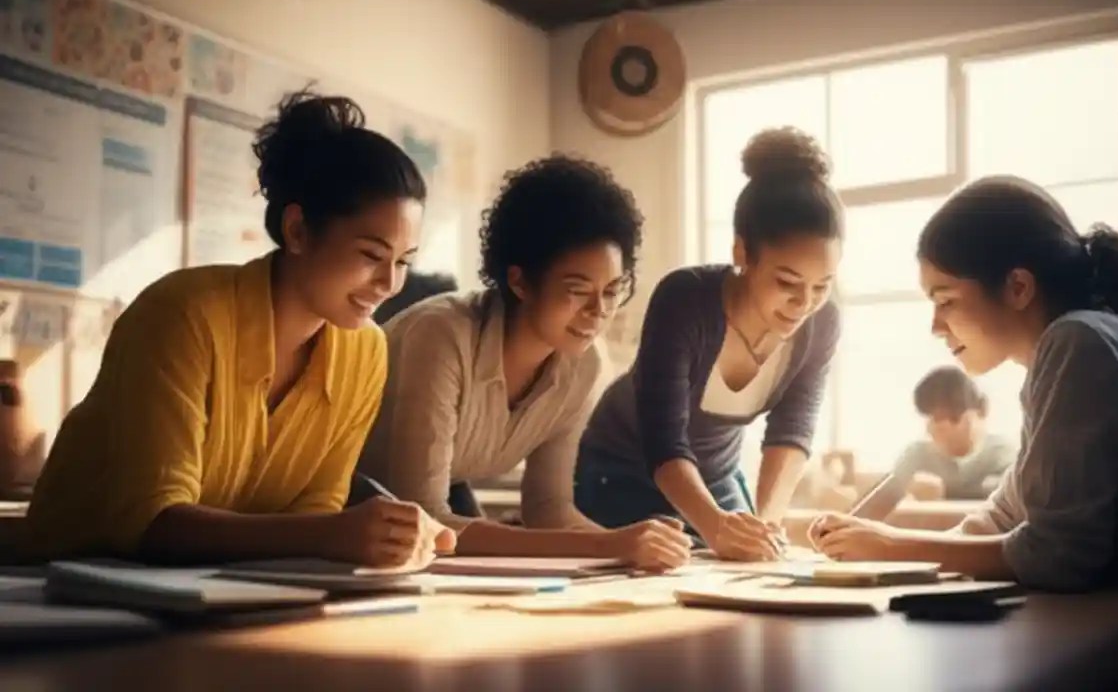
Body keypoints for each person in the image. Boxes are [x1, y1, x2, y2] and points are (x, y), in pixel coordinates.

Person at [22, 91, 455, 566]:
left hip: (217, 590)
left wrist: (354, 538)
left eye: (403, 262)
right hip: (59, 584)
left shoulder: (366, 351)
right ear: (297, 230)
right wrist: (332, 534)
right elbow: (151, 521)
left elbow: (314, 513)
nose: (390, 283)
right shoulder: (185, 314)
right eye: (372, 255)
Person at [812, 175, 1118, 591]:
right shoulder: (1070, 351)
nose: (936, 326)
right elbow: (1003, 517)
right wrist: (878, 552)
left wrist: (893, 546)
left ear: (1018, 287)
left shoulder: (1081, 343)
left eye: (946, 300)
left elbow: (1058, 555)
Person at [357, 155, 691, 571]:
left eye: (611, 291)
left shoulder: (584, 362)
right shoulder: (442, 335)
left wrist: (641, 546)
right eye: (577, 290)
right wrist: (608, 545)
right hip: (350, 510)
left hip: (433, 514)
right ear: (520, 281)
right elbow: (425, 520)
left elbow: (548, 507)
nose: (598, 312)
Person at [575, 127, 843, 562]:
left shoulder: (822, 322)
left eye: (822, 285)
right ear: (741, 252)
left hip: (716, 475)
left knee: (753, 561)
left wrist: (766, 525)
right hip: (622, 468)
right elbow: (664, 442)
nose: (805, 303)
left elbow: (792, 431)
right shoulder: (685, 299)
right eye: (787, 282)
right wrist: (715, 527)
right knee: (651, 573)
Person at [854, 366, 1016, 520]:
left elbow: (1012, 500)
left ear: (981, 411)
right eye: (934, 418)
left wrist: (945, 493)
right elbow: (877, 505)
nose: (942, 426)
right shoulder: (916, 456)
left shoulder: (1002, 454)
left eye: (953, 417)